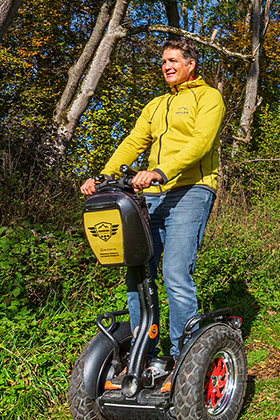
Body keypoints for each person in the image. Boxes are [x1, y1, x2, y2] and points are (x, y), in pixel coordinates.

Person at [80, 39, 224, 389]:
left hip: (192, 189)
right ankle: (144, 355)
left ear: (192, 64)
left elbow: (200, 144)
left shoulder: (209, 98)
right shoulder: (156, 105)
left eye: (173, 60)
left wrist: (161, 171)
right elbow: (133, 142)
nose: (166, 66)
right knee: (138, 272)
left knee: (175, 272)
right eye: (163, 61)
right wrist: (104, 176)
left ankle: (183, 357)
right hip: (152, 196)